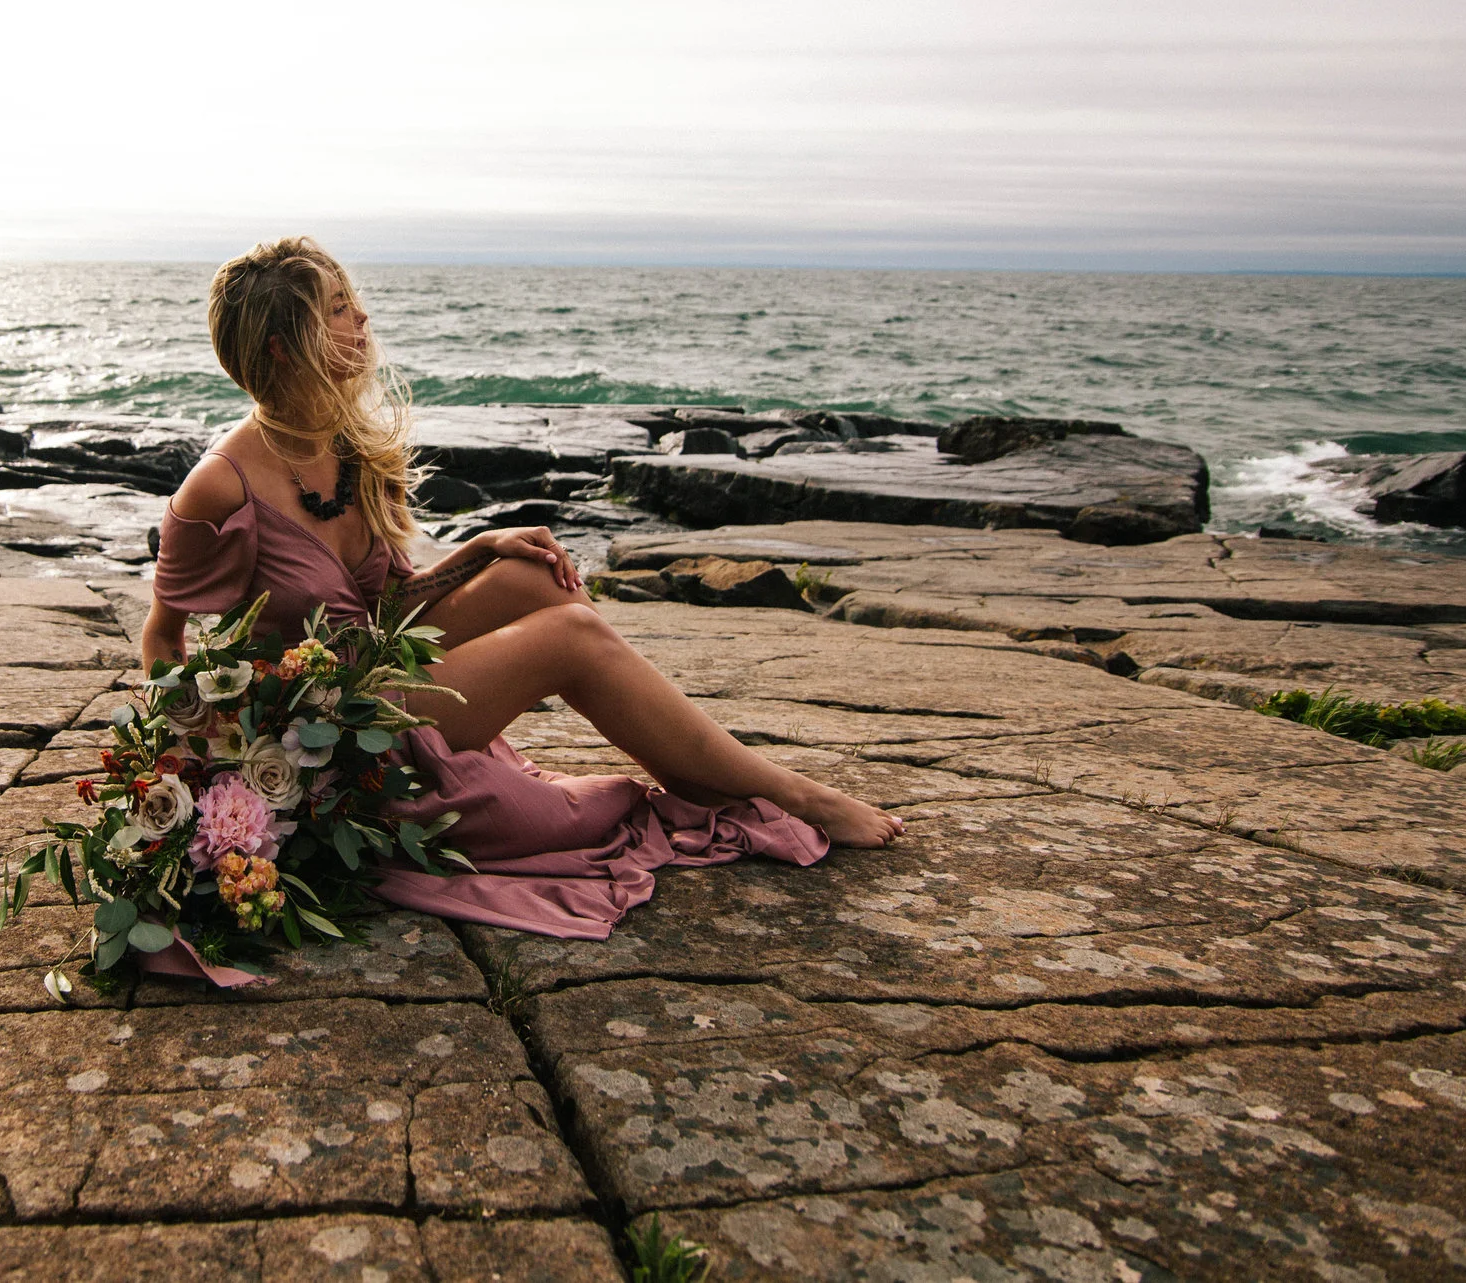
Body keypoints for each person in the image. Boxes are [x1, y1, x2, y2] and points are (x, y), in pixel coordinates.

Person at [143, 237, 902, 944]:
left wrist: (479, 548)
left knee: (535, 576)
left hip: (380, 680)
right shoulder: (220, 486)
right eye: (339, 305)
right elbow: (162, 640)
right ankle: (793, 792)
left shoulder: (350, 450)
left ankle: (702, 775)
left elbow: (387, 607)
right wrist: (201, 783)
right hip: (332, 738)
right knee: (572, 639)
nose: (362, 316)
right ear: (284, 345)